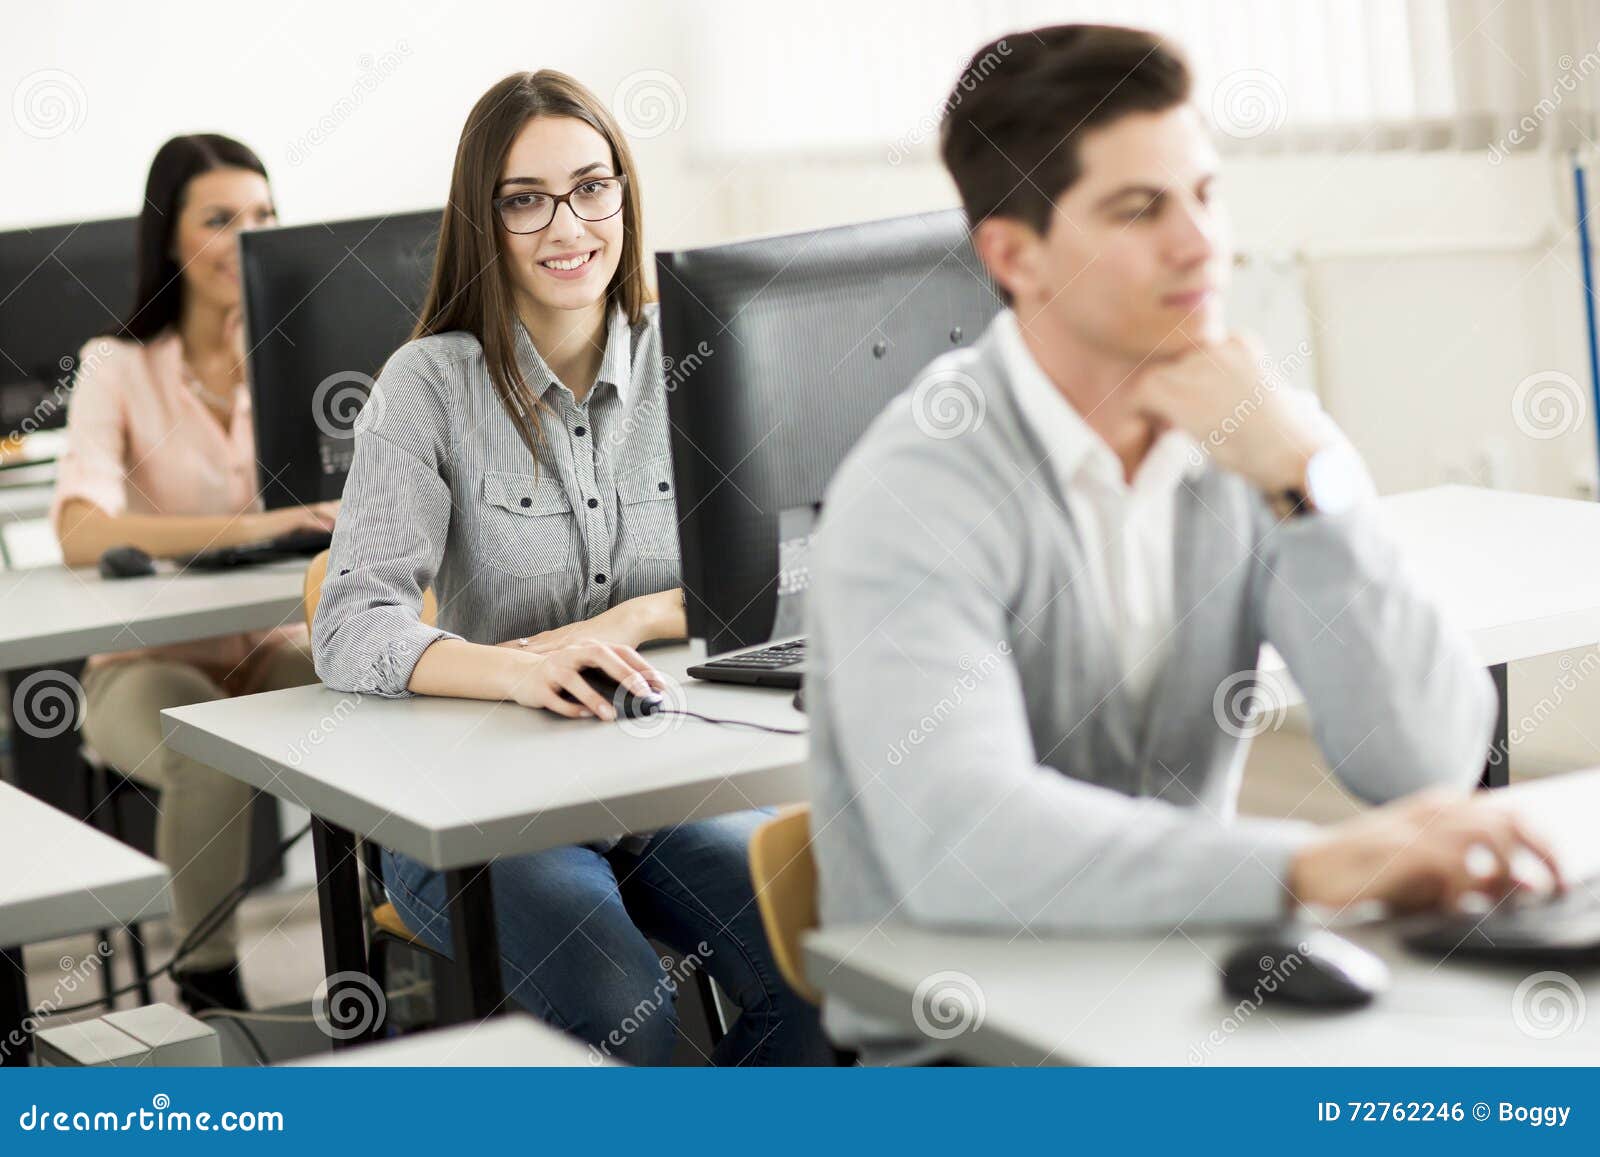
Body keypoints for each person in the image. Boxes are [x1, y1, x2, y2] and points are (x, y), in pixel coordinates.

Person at [805, 25, 1564, 1063]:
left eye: (1206, 193)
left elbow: (1422, 756)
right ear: (1013, 254)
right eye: (1140, 209)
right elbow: (964, 844)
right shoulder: (920, 486)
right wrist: (1309, 868)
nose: (1201, 242)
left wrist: (1309, 483)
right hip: (967, 1055)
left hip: (1186, 998)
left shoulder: (1251, 429)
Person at [312, 70, 831, 1066]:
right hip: (481, 809)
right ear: (483, 217)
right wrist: (511, 665)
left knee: (819, 965)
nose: (569, 224)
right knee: (619, 998)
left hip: (658, 784)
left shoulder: (694, 356)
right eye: (526, 199)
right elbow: (348, 623)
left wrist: (633, 620)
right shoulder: (428, 384)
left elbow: (778, 569)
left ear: (625, 196)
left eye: (593, 187)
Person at [52, 134, 338, 1012]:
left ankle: (397, 940)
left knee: (373, 695)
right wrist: (253, 525)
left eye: (262, 216)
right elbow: (79, 529)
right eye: (220, 219)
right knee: (206, 735)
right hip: (143, 664)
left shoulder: (310, 350)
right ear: (169, 238)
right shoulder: (118, 366)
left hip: (273, 643)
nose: (247, 236)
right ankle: (207, 978)